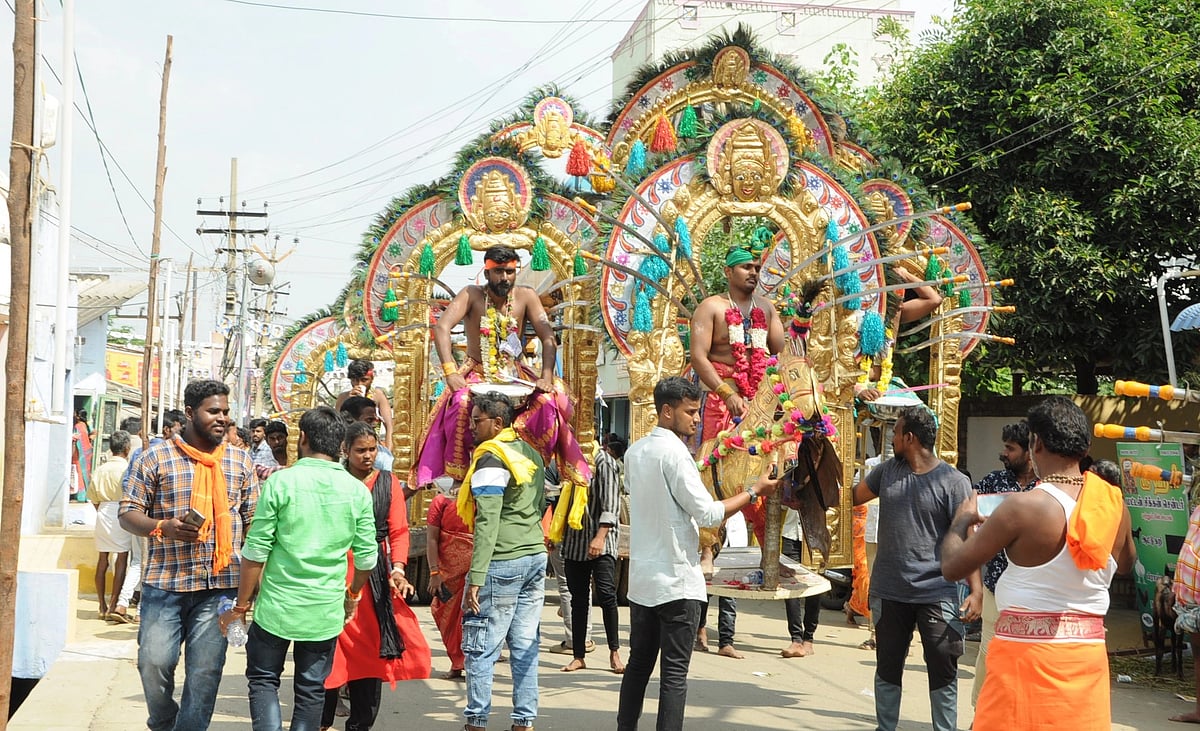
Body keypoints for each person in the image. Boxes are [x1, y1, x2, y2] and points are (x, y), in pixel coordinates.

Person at [942, 396, 1135, 731]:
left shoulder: (1023, 508)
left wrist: (961, 520)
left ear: (1037, 444)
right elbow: (1127, 565)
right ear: (1085, 445)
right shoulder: (1112, 502)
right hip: (1086, 657)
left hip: (1024, 662)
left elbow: (952, 567)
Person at [617, 377, 779, 731]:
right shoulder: (674, 454)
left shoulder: (635, 452)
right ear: (666, 411)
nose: (695, 419)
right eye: (689, 412)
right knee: (674, 676)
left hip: (643, 583)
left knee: (638, 666)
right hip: (676, 583)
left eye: (697, 411)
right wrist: (754, 491)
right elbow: (707, 513)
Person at [216, 405, 377, 731]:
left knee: (263, 680)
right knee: (311, 689)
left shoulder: (281, 483)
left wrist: (241, 605)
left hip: (276, 608)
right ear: (341, 446)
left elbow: (256, 550)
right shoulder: (357, 491)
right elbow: (366, 559)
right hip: (323, 610)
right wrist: (353, 594)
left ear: (302, 438)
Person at [119, 379, 259, 731]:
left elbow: (254, 522)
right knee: (153, 662)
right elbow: (127, 512)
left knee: (206, 671)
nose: (223, 418)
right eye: (214, 411)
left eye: (226, 412)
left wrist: (254, 583)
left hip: (221, 586)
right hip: (166, 583)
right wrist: (162, 526)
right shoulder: (155, 457)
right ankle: (164, 720)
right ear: (190, 413)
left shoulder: (241, 461)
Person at [414, 245, 590, 494]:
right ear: (486, 273)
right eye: (498, 272)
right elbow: (442, 328)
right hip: (476, 369)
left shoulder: (526, 295)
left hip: (513, 372)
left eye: (509, 271)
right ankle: (460, 475)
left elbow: (548, 337)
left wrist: (547, 377)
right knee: (461, 401)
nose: (504, 278)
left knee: (548, 402)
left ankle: (534, 465)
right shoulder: (471, 294)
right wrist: (451, 372)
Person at [852, 405, 981, 731]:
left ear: (909, 437)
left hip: (938, 592)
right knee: (888, 666)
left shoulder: (954, 482)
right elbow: (853, 497)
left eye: (895, 432)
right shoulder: (886, 472)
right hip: (889, 590)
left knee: (943, 667)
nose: (892, 437)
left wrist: (977, 591)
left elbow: (968, 538)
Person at [320, 421, 431, 731]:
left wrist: (398, 569)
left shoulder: (388, 482)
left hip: (374, 577)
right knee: (330, 647)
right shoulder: (333, 480)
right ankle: (321, 720)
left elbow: (398, 531)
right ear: (345, 450)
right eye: (360, 450)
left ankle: (360, 723)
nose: (367, 456)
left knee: (368, 651)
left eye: (373, 449)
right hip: (335, 573)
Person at [688, 241, 786, 576]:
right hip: (720, 401)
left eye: (757, 268)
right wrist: (727, 392)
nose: (753, 273)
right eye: (746, 267)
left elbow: (780, 355)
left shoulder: (766, 309)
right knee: (711, 473)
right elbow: (699, 357)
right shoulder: (711, 307)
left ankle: (768, 554)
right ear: (728, 271)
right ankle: (706, 551)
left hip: (760, 405)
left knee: (767, 472)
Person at [459, 391, 548, 731]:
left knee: (481, 645)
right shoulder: (529, 453)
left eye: (477, 420)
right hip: (533, 556)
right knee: (525, 645)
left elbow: (487, 520)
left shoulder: (492, 457)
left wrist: (477, 574)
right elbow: (539, 506)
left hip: (502, 561)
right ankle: (524, 720)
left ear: (498, 423)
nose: (471, 427)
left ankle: (477, 720)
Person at [969, 421, 1038, 708]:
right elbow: (969, 522)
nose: (1004, 453)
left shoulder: (1045, 488)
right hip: (996, 583)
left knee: (1026, 659)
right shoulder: (992, 483)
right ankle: (981, 715)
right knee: (989, 652)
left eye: (1010, 448)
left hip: (1033, 591)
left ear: (1030, 453)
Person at [558, 436, 625, 674]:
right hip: (574, 540)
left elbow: (611, 504)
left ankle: (614, 652)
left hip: (601, 540)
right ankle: (578, 655)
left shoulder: (603, 461)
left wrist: (600, 536)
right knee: (578, 600)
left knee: (607, 596)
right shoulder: (568, 460)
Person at [426, 476, 473, 681]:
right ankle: (456, 662)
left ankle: (469, 664)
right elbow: (432, 538)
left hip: (473, 570)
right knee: (441, 612)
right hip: (446, 571)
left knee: (470, 618)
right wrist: (434, 572)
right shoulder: (441, 500)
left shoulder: (479, 496)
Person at [90, 430, 133, 622]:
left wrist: (102, 509)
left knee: (103, 559)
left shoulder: (100, 469)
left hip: (103, 511)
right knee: (122, 558)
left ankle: (101, 604)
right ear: (126, 448)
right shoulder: (127, 468)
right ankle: (114, 603)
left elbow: (93, 497)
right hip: (120, 511)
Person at [336, 359, 394, 458]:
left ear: (372, 378)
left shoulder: (378, 396)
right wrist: (349, 402)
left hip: (372, 448)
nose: (359, 384)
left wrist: (388, 454)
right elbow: (336, 425)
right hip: (349, 450)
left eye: (364, 380)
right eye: (354, 380)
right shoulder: (343, 397)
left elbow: (389, 426)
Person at [340, 395, 396, 475]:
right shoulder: (333, 453)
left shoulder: (382, 454)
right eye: (369, 420)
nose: (374, 425)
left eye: (372, 450)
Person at [72, 409, 95, 501]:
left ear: (77, 416)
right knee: (87, 474)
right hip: (88, 453)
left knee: (80, 473)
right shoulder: (87, 424)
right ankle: (86, 495)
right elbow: (94, 433)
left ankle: (81, 495)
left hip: (80, 453)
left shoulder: (77, 426)